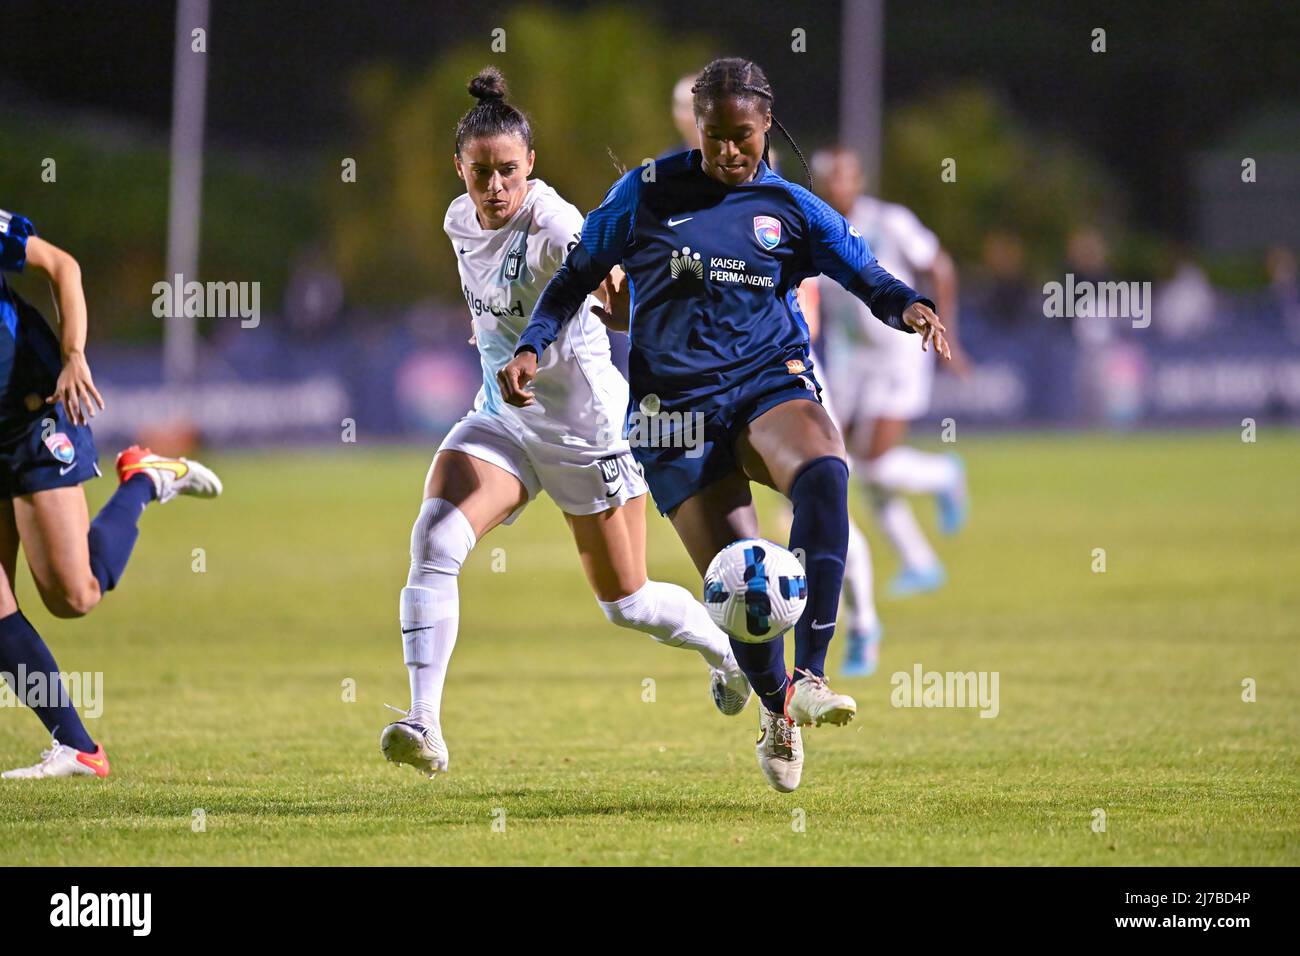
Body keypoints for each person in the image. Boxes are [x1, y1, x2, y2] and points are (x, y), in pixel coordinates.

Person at [501, 58, 949, 792]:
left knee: (824, 470)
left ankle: (811, 672)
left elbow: (867, 274)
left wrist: (911, 308)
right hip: (672, 416)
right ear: (697, 129)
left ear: (767, 125)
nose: (727, 151)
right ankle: (778, 714)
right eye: (714, 138)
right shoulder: (645, 192)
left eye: (741, 136)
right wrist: (529, 345)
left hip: (766, 382)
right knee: (742, 584)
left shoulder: (792, 207)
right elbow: (576, 276)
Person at [380, 68, 750, 779]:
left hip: (590, 432)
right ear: (457, 168)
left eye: (508, 172)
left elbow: (614, 299)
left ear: (531, 167)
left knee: (629, 602)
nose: (494, 187)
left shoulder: (556, 225)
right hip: (503, 423)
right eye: (480, 172)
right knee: (433, 540)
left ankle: (727, 652)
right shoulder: (458, 219)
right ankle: (424, 722)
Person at [0, 208, 222, 780]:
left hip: (35, 420)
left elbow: (61, 266)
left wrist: (73, 354)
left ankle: (145, 478)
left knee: (74, 595)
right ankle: (78, 747)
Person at [811, 148, 968, 629]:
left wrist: (948, 331)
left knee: (873, 461)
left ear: (858, 180)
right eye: (831, 178)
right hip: (849, 362)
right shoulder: (810, 228)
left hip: (900, 353)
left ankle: (944, 475)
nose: (840, 185)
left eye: (848, 176)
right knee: (855, 465)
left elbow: (939, 266)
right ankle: (919, 561)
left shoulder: (890, 220)